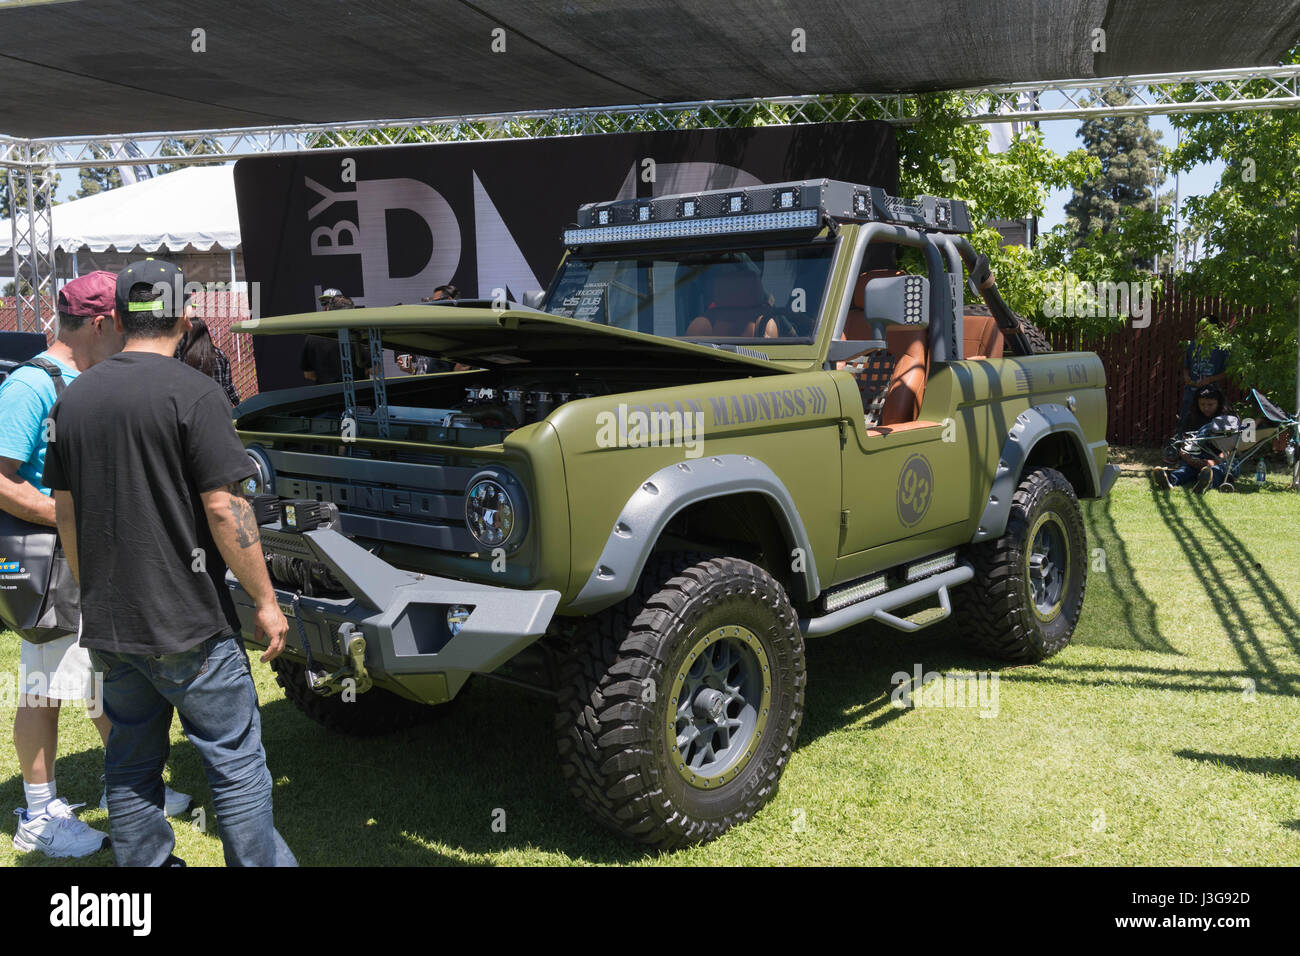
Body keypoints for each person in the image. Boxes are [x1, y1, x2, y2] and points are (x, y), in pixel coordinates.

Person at [44, 259, 295, 867]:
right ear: (186, 317)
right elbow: (225, 505)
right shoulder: (197, 392)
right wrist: (266, 601)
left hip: (111, 627)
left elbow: (67, 514)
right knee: (234, 766)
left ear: (121, 317)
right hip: (189, 627)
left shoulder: (73, 399)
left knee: (130, 766)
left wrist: (90, 591)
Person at [2, 271, 192, 858]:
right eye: (127, 326)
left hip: (77, 561)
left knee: (91, 675)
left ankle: (126, 785)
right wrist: (67, 517)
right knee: (41, 685)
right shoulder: (32, 386)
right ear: (103, 323)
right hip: (49, 565)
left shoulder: (76, 380)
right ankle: (39, 813)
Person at [1153, 385, 1240, 492]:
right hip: (1196, 457)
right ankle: (1169, 480)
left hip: (1221, 458)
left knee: (1223, 469)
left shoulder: (1228, 420)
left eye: (1210, 404)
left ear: (1219, 403)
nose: (1206, 408)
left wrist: (1214, 461)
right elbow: (1183, 443)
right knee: (1186, 470)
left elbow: (1232, 448)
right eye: (1202, 404)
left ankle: (1208, 480)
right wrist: (1189, 459)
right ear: (1197, 403)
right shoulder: (1191, 418)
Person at [175, 315, 239, 406]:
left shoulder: (181, 357)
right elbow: (228, 386)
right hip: (219, 406)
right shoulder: (220, 355)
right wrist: (238, 405)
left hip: (192, 408)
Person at [1179, 317, 1230, 425]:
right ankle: (1182, 439)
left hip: (1211, 393)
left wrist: (1210, 379)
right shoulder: (1193, 346)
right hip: (1191, 391)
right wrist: (1187, 377)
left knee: (1209, 420)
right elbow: (1186, 367)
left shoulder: (1222, 349)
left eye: (1205, 330)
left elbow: (1227, 372)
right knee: (1186, 417)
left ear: (1215, 331)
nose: (1201, 333)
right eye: (1199, 329)